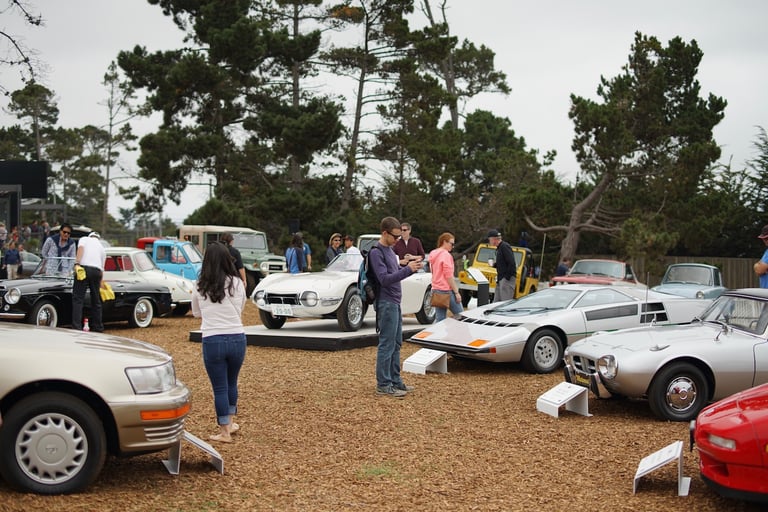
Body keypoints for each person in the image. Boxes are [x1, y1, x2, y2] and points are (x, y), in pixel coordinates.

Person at [192, 242, 247, 443]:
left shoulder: (199, 285)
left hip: (212, 339)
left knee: (220, 388)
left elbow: (197, 313)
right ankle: (231, 423)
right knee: (232, 382)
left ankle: (224, 432)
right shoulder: (237, 283)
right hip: (237, 337)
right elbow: (241, 308)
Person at [369, 216, 423, 398]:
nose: (398, 240)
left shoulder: (391, 251)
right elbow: (384, 279)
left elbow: (393, 274)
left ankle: (394, 379)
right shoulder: (376, 252)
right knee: (387, 343)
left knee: (396, 343)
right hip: (386, 302)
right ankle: (383, 384)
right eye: (395, 237)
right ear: (385, 233)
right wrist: (408, 270)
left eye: (400, 237)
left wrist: (407, 266)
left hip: (395, 302)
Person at [72, 232, 107, 332]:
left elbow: (81, 249)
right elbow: (102, 269)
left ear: (90, 236)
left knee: (78, 299)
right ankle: (98, 326)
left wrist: (77, 263)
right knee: (96, 300)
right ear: (98, 238)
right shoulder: (102, 247)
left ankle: (76, 326)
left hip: (84, 269)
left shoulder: (84, 239)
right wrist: (101, 283)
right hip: (96, 271)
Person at [429, 232, 463, 322]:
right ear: (444, 242)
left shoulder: (433, 253)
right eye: (451, 244)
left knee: (440, 319)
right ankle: (460, 334)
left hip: (436, 289)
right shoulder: (446, 255)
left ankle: (438, 335)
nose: (453, 246)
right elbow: (449, 276)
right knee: (461, 316)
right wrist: (456, 292)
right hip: (446, 290)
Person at [487, 229, 517, 302]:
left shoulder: (504, 247)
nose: (489, 242)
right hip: (500, 279)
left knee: (504, 303)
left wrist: (506, 278)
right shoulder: (499, 248)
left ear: (494, 239)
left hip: (506, 279)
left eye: (490, 239)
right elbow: (503, 263)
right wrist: (494, 265)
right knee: (496, 303)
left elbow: (511, 263)